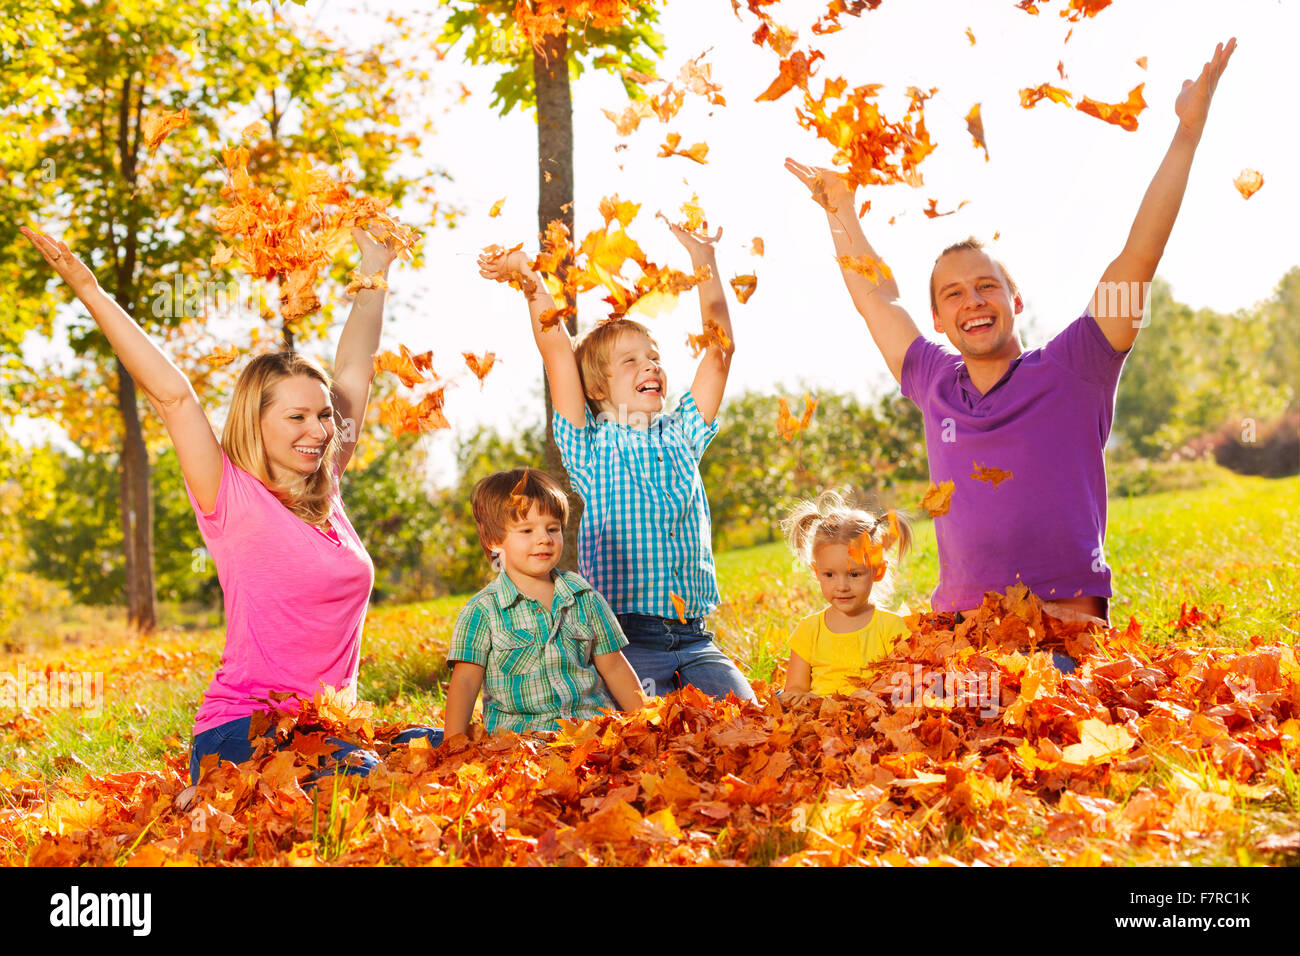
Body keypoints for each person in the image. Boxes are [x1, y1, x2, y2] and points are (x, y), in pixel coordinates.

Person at [785, 40, 1237, 635]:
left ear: (1014, 300)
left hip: (1061, 624)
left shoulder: (1078, 364)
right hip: (960, 630)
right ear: (940, 320)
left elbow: (1139, 255)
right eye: (953, 294)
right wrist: (840, 211)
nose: (972, 300)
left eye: (986, 286)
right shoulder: (933, 381)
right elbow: (878, 301)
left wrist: (1187, 135)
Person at [19, 224, 442, 784]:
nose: (318, 429)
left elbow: (353, 371)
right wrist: (91, 290)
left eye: (321, 416)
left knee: (451, 744)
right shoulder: (229, 494)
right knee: (372, 779)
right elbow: (173, 396)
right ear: (256, 421)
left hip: (326, 730)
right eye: (296, 417)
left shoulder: (326, 487)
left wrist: (376, 267)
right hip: (242, 731)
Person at [477, 223, 757, 703]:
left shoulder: (683, 433)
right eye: (630, 361)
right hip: (624, 642)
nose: (650, 366)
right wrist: (529, 279)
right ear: (598, 389)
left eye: (653, 357)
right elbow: (558, 353)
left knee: (745, 727)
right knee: (643, 742)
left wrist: (703, 258)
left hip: (696, 638)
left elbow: (719, 351)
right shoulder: (589, 444)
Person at [442, 468, 647, 737]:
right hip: (520, 744)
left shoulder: (584, 598)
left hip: (591, 734)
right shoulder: (482, 611)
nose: (544, 539)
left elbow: (615, 667)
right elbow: (466, 681)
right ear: (495, 542)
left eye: (553, 529)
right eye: (527, 530)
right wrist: (452, 745)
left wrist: (647, 724)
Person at [781, 491, 912, 696]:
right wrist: (801, 700)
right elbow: (795, 689)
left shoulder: (893, 628)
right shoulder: (808, 631)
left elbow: (903, 687)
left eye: (854, 574)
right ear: (817, 572)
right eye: (830, 574)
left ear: (877, 571)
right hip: (820, 721)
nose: (841, 586)